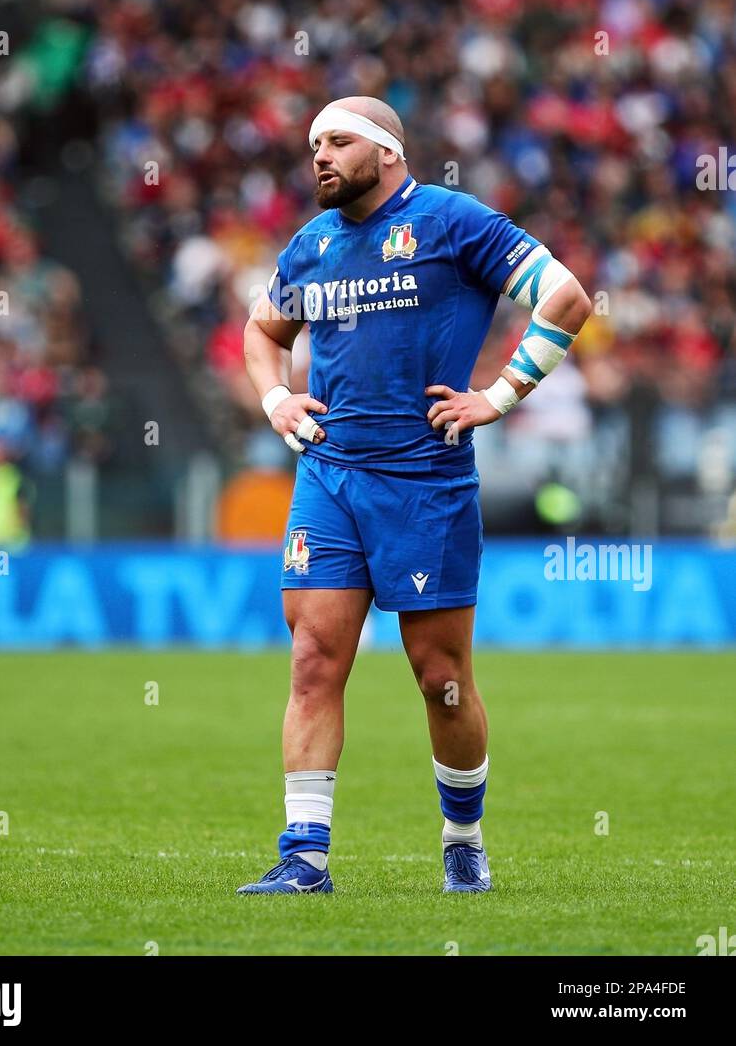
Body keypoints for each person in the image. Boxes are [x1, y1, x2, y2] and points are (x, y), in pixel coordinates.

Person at [238, 96, 591, 894]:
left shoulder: (452, 222)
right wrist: (277, 400)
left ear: (386, 152)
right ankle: (305, 858)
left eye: (336, 141)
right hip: (329, 477)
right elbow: (263, 333)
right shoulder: (313, 243)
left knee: (442, 677)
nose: (319, 155)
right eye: (312, 144)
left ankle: (462, 838)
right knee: (312, 661)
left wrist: (498, 396)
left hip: (425, 483)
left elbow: (565, 296)